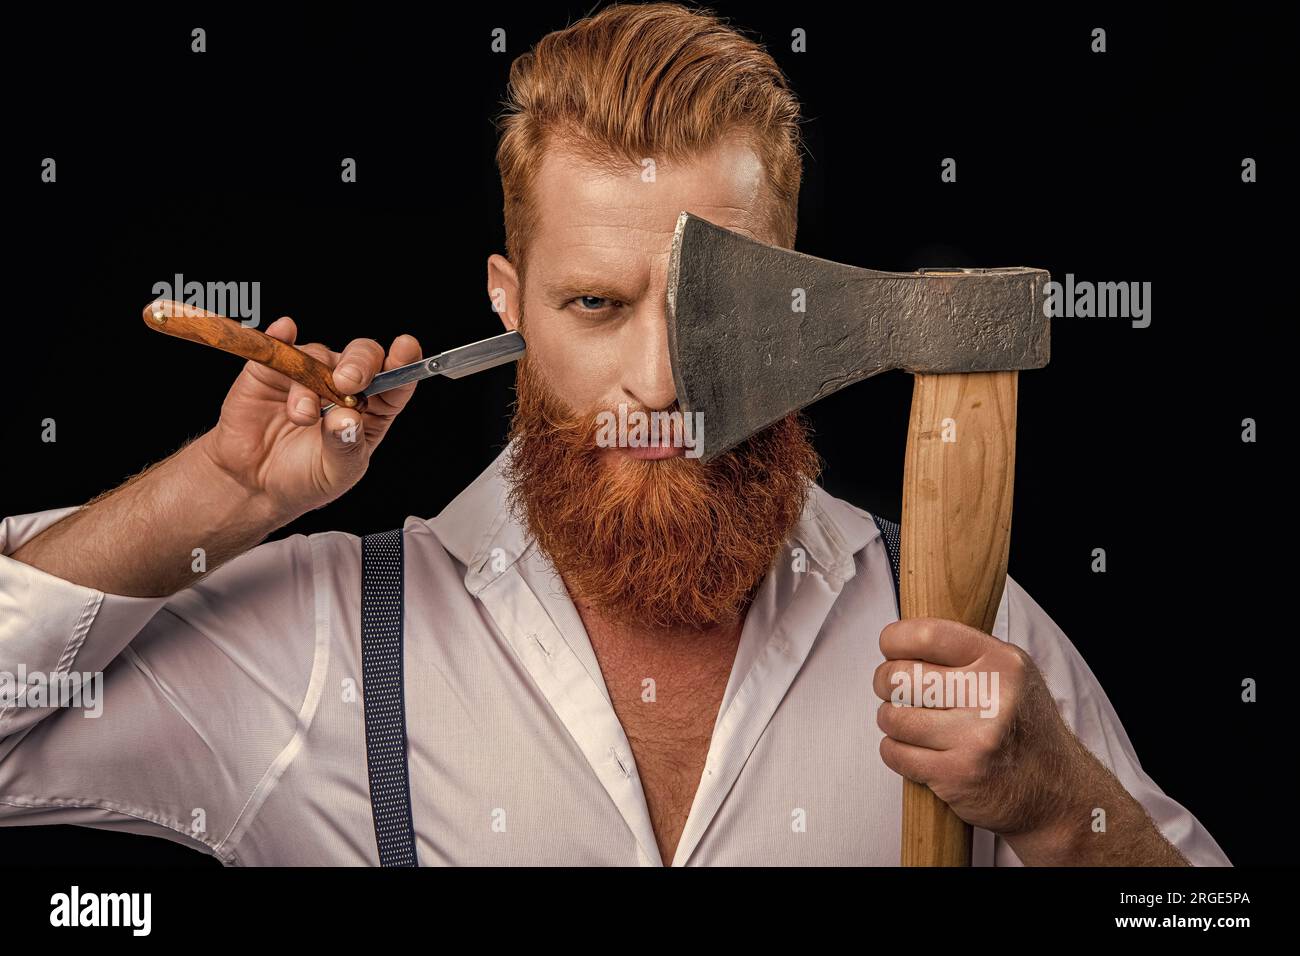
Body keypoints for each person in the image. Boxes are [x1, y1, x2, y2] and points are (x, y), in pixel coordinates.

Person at [0, 2, 1228, 866]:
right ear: (506, 300)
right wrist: (217, 501)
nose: (655, 383)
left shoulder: (966, 621)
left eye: (711, 308)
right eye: (595, 304)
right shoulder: (327, 639)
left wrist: (1066, 812)